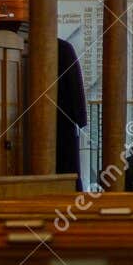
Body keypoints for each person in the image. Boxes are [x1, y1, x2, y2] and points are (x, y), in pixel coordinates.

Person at [55, 38, 87, 189]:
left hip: (62, 120)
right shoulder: (63, 48)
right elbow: (75, 86)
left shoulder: (63, 48)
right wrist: (80, 118)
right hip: (63, 120)